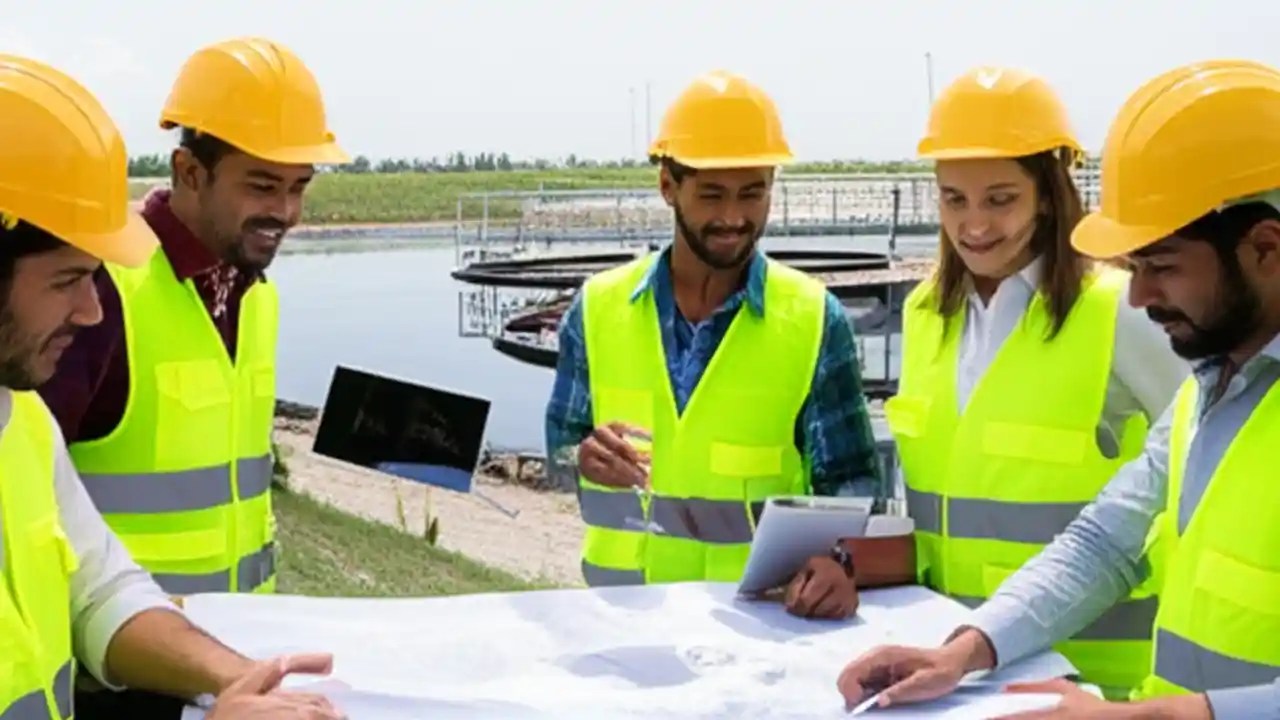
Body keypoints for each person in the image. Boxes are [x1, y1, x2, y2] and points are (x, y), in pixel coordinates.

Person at [836, 58, 1280, 719]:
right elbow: (1104, 543)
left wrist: (1142, 716)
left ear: (1266, 248)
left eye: (1160, 267)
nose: (1138, 295)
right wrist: (963, 651)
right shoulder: (1210, 390)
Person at [0, 52, 342, 720]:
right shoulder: (100, 323)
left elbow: (96, 591)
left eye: (299, 185)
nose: (90, 308)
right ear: (190, 172)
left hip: (180, 663)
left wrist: (243, 678)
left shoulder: (22, 425)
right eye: (70, 280)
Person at [873, 65, 1188, 698]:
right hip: (951, 674)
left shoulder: (1122, 311)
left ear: (1047, 191)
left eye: (1000, 198)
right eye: (953, 199)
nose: (974, 226)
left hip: (1090, 684)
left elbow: (1193, 480)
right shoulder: (924, 314)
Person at [544, 70, 891, 619]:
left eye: (752, 193)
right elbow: (560, 451)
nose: (733, 217)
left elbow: (851, 485)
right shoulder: (595, 310)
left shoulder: (814, 320)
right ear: (667, 186)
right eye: (711, 195)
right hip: (620, 619)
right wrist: (579, 459)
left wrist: (841, 564)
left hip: (761, 629)